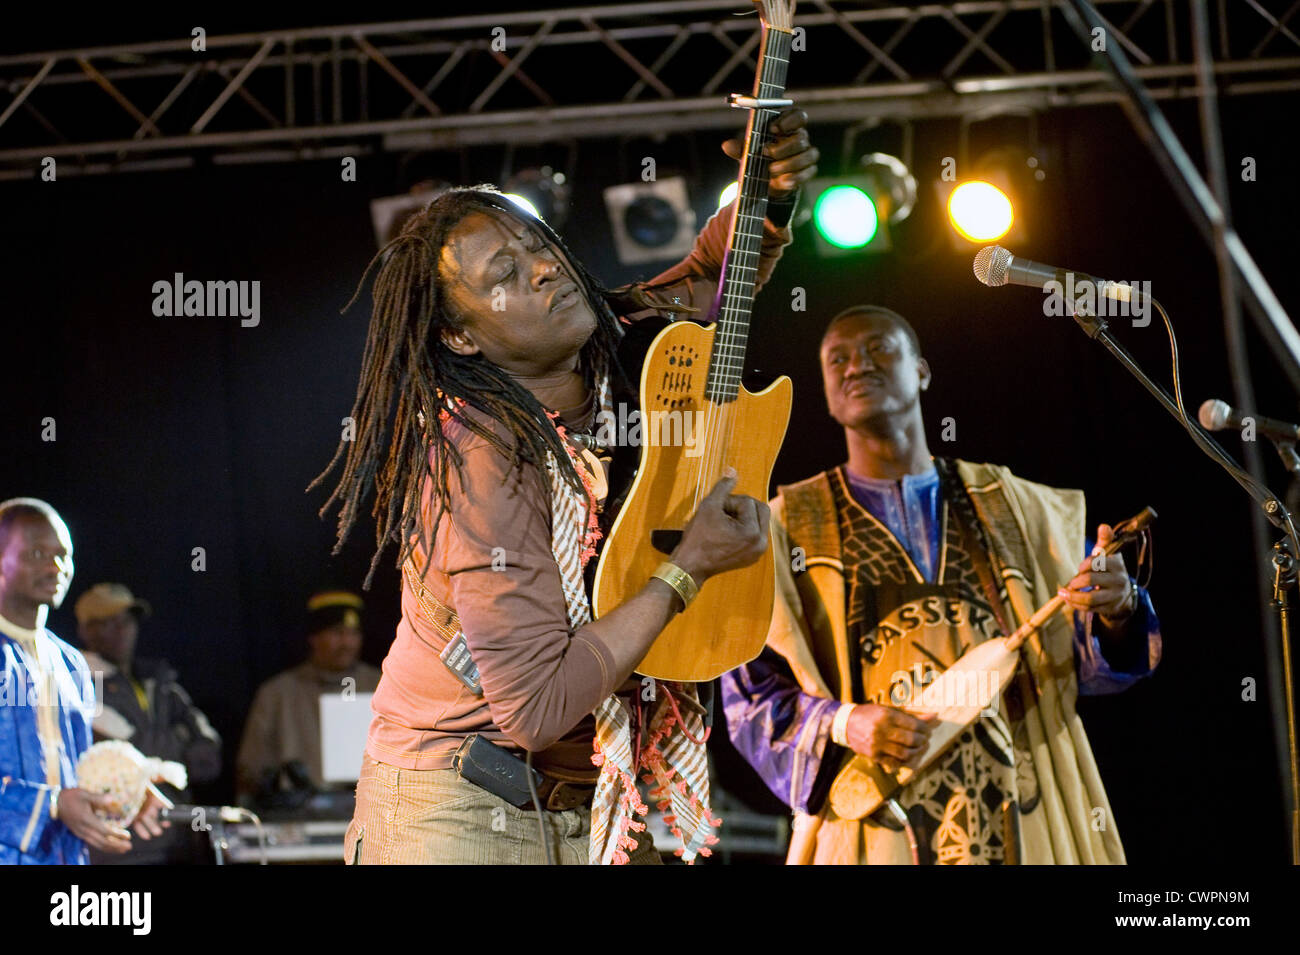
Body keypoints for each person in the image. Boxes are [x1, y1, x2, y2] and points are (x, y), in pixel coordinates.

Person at [313, 110, 818, 864]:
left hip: (593, 800)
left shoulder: (616, 352)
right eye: (504, 275)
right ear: (461, 336)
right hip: (455, 811)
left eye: (537, 246)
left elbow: (714, 271)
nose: (544, 268)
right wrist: (687, 569)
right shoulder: (481, 455)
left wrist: (770, 194)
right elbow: (537, 706)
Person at [722, 306, 1162, 865]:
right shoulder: (784, 529)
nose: (857, 366)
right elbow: (748, 694)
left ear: (923, 370)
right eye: (838, 359)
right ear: (828, 395)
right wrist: (843, 723)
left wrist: (1117, 609)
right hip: (878, 827)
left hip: (1023, 813)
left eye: (878, 348)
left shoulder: (1016, 509)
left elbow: (1080, 662)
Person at [0, 498, 167, 864]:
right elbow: (59, 798)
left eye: (64, 555)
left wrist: (125, 795)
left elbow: (76, 773)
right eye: (37, 553)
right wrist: (52, 803)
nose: (56, 566)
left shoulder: (70, 662)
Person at [75, 581, 222, 864]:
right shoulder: (77, 682)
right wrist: (179, 740)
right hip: (119, 847)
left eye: (127, 621)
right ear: (86, 630)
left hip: (178, 839)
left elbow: (208, 749)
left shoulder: (159, 680)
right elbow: (126, 752)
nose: (122, 630)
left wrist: (158, 756)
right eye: (110, 623)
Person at [236, 590, 381, 803]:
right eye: (337, 633)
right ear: (314, 638)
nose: (346, 643)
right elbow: (251, 769)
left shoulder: (381, 686)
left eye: (353, 634)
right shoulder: (278, 693)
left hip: (372, 810)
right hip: (300, 814)